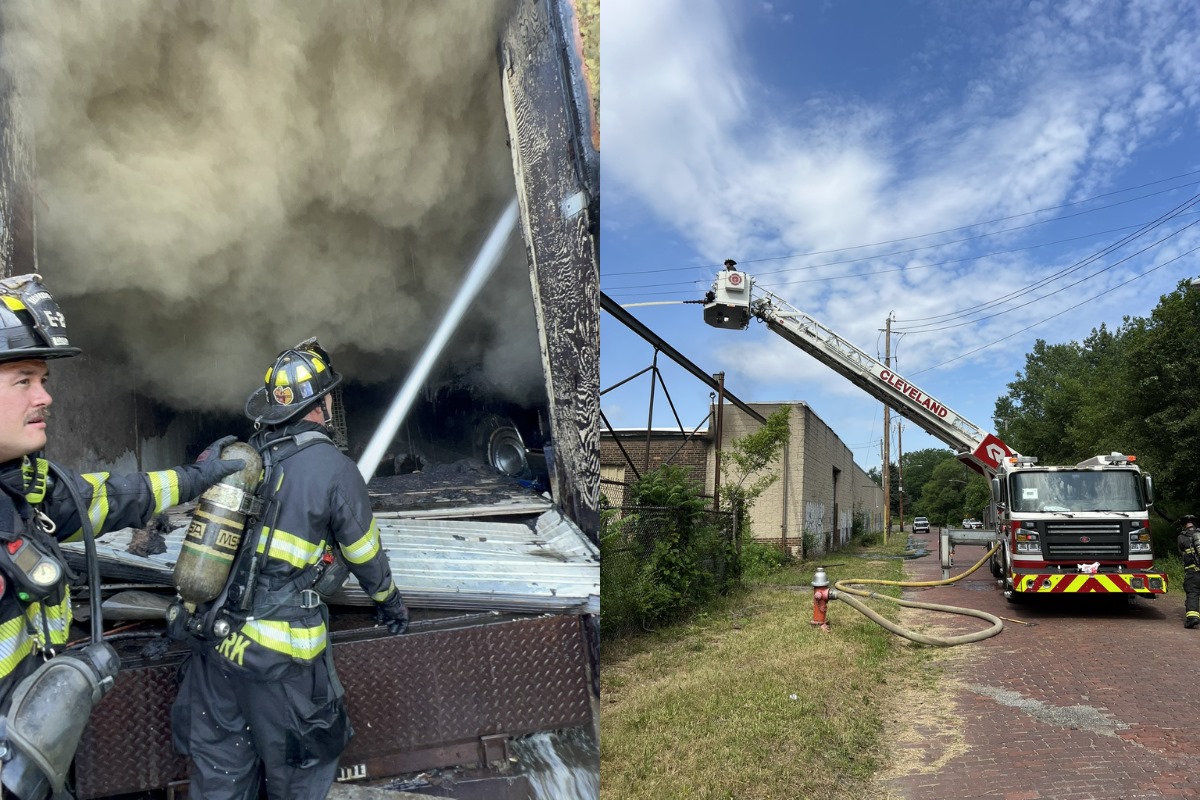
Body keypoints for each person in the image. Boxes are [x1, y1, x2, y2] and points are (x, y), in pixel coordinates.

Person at [172, 337, 409, 800]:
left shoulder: (246, 461)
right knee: (298, 779)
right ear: (323, 404)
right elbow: (364, 554)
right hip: (280, 665)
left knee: (220, 781)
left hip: (216, 648)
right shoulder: (334, 469)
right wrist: (390, 604)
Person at [0, 274, 246, 712]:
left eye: (43, 379)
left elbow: (105, 499)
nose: (45, 397)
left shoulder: (24, 487)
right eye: (24, 381)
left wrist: (194, 478)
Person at [1178, 515, 1200, 629]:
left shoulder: (1182, 537)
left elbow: (1181, 551)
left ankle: (1192, 618)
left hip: (1193, 572)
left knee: (1193, 593)